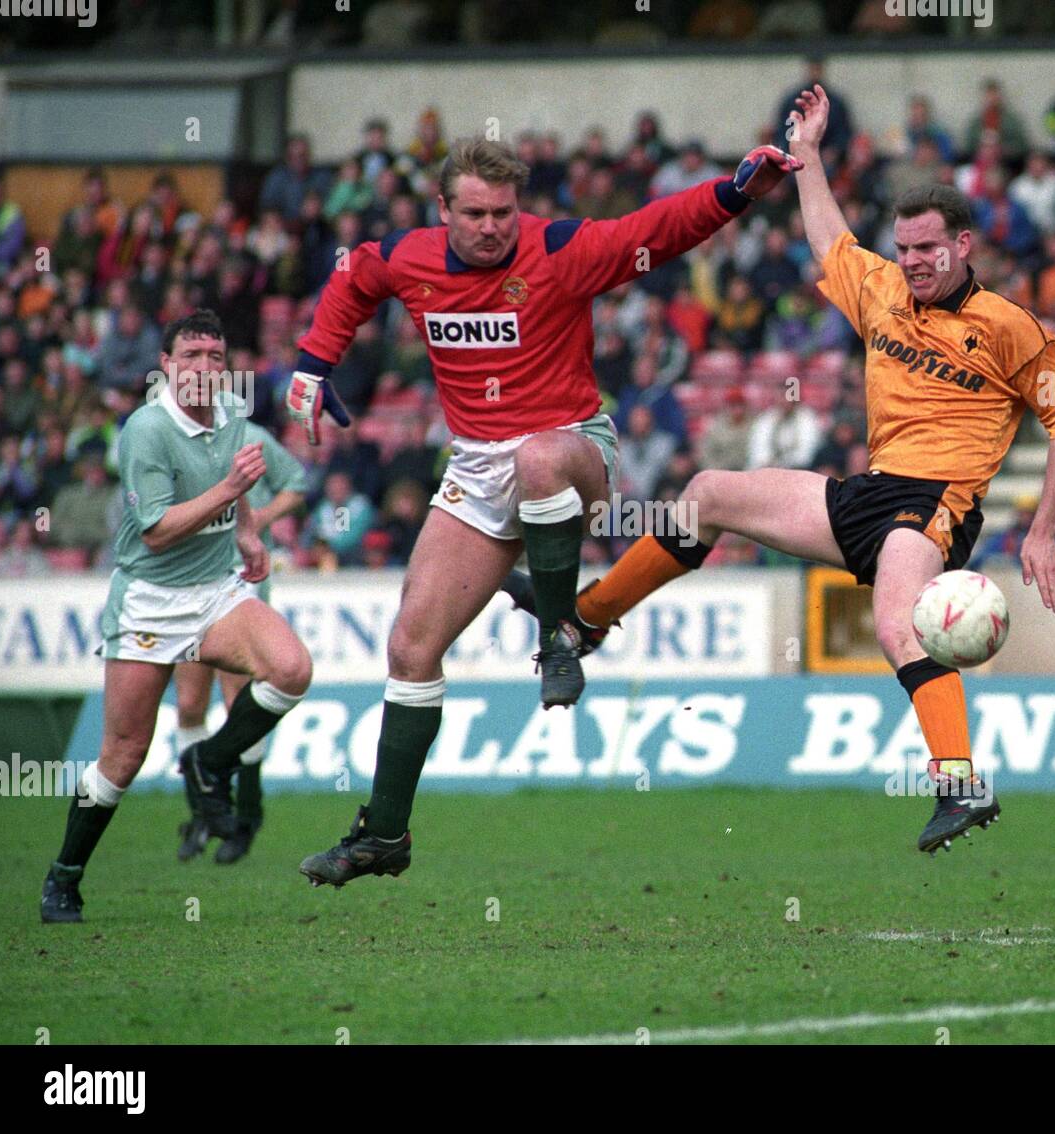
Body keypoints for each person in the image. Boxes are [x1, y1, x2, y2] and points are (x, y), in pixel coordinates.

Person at [505, 87, 1055, 857]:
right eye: (905, 247)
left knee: (897, 623)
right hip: (871, 492)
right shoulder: (884, 291)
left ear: (963, 246)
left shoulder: (1010, 327)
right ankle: (585, 622)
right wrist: (808, 155)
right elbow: (830, 240)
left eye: (928, 249)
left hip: (936, 502)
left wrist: (1043, 532)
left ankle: (958, 782)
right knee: (709, 493)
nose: (913, 261)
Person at [284, 134, 801, 888]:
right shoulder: (410, 255)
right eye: (475, 213)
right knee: (410, 648)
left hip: (573, 452)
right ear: (443, 211)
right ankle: (384, 835)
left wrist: (735, 191)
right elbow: (355, 274)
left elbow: (652, 230)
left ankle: (560, 636)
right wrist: (312, 361)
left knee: (537, 461)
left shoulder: (559, 249)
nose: (492, 226)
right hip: (475, 466)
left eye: (503, 212)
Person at [40, 310, 313, 923]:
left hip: (216, 592)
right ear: (165, 366)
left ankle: (210, 762)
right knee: (123, 755)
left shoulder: (233, 418)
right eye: (190, 356)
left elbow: (235, 493)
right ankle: (64, 877)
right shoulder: (144, 430)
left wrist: (247, 535)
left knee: (292, 669)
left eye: (215, 357)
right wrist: (228, 495)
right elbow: (157, 532)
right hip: (150, 602)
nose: (204, 368)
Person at [173, 420, 307, 864]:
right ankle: (203, 814)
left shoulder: (252, 436)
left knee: (236, 697)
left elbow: (296, 484)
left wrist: (258, 518)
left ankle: (246, 815)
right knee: (190, 702)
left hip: (237, 583)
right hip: (187, 584)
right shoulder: (164, 437)